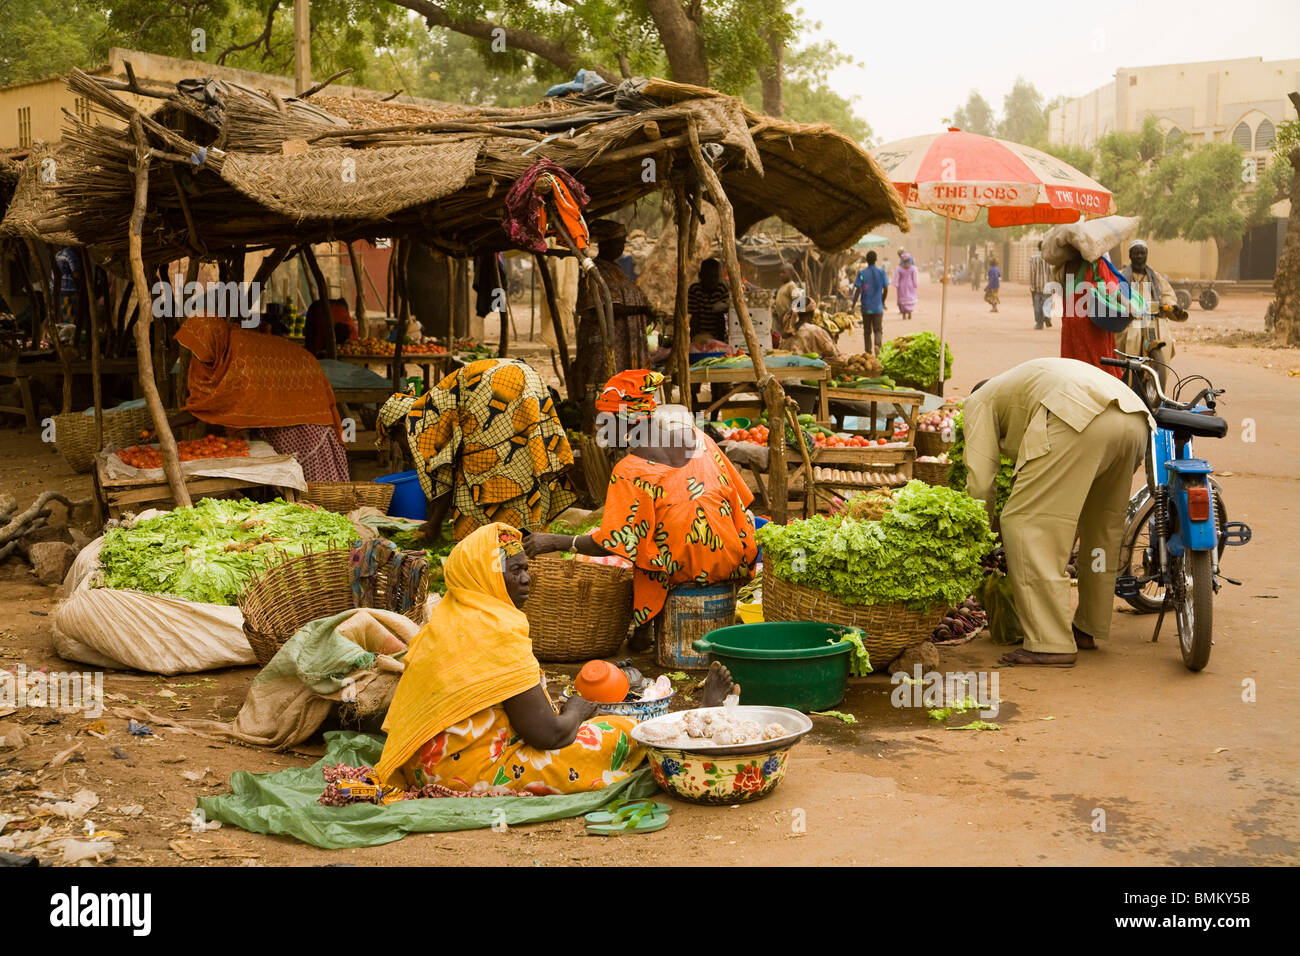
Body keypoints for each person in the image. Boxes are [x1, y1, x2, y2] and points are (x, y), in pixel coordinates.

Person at [375, 522, 748, 792]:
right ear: (486, 577)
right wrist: (578, 709)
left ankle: (692, 721)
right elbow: (547, 735)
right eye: (516, 570)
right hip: (468, 774)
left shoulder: (446, 621)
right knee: (619, 734)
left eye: (527, 568)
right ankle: (694, 729)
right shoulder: (497, 632)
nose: (527, 579)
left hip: (422, 768)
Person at [525, 370, 759, 650]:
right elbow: (740, 499)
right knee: (658, 532)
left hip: (682, 568)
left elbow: (613, 544)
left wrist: (554, 541)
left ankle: (643, 629)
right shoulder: (700, 439)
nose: (600, 431)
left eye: (605, 422)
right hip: (733, 556)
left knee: (644, 550)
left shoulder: (630, 470)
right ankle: (645, 629)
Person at [963, 358, 1153, 667]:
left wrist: (977, 534)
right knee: (1101, 527)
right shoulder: (1021, 381)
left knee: (1023, 523)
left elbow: (981, 481)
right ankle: (1088, 626)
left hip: (1077, 417)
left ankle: (1049, 641)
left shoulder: (977, 401)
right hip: (1133, 419)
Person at [376, 357, 575, 543]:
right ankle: (526, 542)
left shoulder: (419, 423)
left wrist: (434, 524)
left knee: (489, 475)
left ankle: (497, 551)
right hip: (525, 376)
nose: (402, 448)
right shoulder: (435, 403)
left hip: (501, 386)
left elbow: (445, 476)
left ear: (402, 428)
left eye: (397, 441)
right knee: (528, 458)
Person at [173, 314, 349, 480]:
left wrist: (164, 425)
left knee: (307, 475)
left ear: (213, 340)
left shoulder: (239, 356)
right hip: (284, 397)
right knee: (285, 468)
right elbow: (204, 400)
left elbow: (212, 405)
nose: (197, 356)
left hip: (303, 397)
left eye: (199, 348)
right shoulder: (224, 350)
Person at [571, 219, 656, 429]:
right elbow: (601, 306)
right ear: (606, 244)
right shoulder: (594, 272)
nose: (621, 247)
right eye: (619, 242)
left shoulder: (616, 270)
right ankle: (601, 431)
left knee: (625, 389)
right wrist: (641, 310)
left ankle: (628, 428)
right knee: (604, 385)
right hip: (605, 345)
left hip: (625, 344)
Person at [1119, 239, 1185, 394]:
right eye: (1136, 253)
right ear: (1130, 255)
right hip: (1131, 320)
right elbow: (1115, 295)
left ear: (1146, 255)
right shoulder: (1122, 276)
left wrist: (1170, 305)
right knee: (1130, 342)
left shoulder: (1155, 277)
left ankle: (1156, 385)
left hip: (1153, 319)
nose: (1139, 256)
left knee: (1166, 340)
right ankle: (1127, 386)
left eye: (1142, 253)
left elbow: (1167, 295)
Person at [1058, 250, 1134, 378]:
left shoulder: (1067, 264)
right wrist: (1129, 306)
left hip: (1070, 326)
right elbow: (1111, 289)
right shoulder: (1097, 264)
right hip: (1091, 326)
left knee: (1073, 371)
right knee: (1099, 370)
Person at [850, 251, 889, 354]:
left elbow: (857, 290)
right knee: (878, 329)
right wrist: (882, 301)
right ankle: (877, 345)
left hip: (866, 307)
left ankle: (868, 351)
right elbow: (886, 289)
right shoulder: (881, 272)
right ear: (876, 260)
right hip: (877, 307)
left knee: (867, 331)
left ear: (866, 260)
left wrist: (852, 306)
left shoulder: (862, 274)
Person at [687, 257, 731, 343]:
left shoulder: (721, 289)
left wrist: (720, 339)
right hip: (699, 334)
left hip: (717, 332)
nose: (713, 280)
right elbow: (694, 317)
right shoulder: (695, 289)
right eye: (709, 276)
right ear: (701, 276)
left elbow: (722, 316)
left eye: (715, 276)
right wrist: (694, 338)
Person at [772, 261, 801, 333]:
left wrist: (790, 316)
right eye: (780, 273)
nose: (781, 275)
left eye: (783, 272)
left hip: (788, 319)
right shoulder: (782, 286)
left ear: (791, 273)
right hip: (781, 318)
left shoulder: (792, 285)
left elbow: (798, 302)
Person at [1029, 241, 1051, 330]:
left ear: (1038, 247)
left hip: (1037, 286)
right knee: (1047, 303)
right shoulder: (1051, 258)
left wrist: (1032, 286)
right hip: (1048, 286)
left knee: (1037, 305)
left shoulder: (1033, 258)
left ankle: (1039, 323)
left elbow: (1032, 272)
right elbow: (1052, 272)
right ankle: (1047, 315)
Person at [893, 253, 918, 321]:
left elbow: (896, 278)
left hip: (902, 286)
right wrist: (915, 284)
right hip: (910, 285)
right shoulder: (913, 268)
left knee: (903, 300)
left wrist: (896, 284)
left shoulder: (899, 268)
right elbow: (915, 278)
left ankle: (904, 314)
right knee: (910, 299)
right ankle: (909, 313)